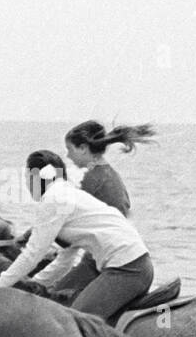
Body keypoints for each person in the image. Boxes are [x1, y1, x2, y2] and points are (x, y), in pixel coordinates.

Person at [0, 150, 153, 320]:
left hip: (126, 269)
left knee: (71, 322)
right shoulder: (68, 193)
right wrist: (36, 284)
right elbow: (65, 259)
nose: (26, 184)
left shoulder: (53, 199)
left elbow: (33, 254)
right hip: (137, 264)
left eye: (27, 177)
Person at [56, 121, 155, 295]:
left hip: (103, 260)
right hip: (115, 252)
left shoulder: (92, 179)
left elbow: (64, 224)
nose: (68, 156)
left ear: (83, 148)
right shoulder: (108, 174)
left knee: (54, 298)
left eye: (70, 149)